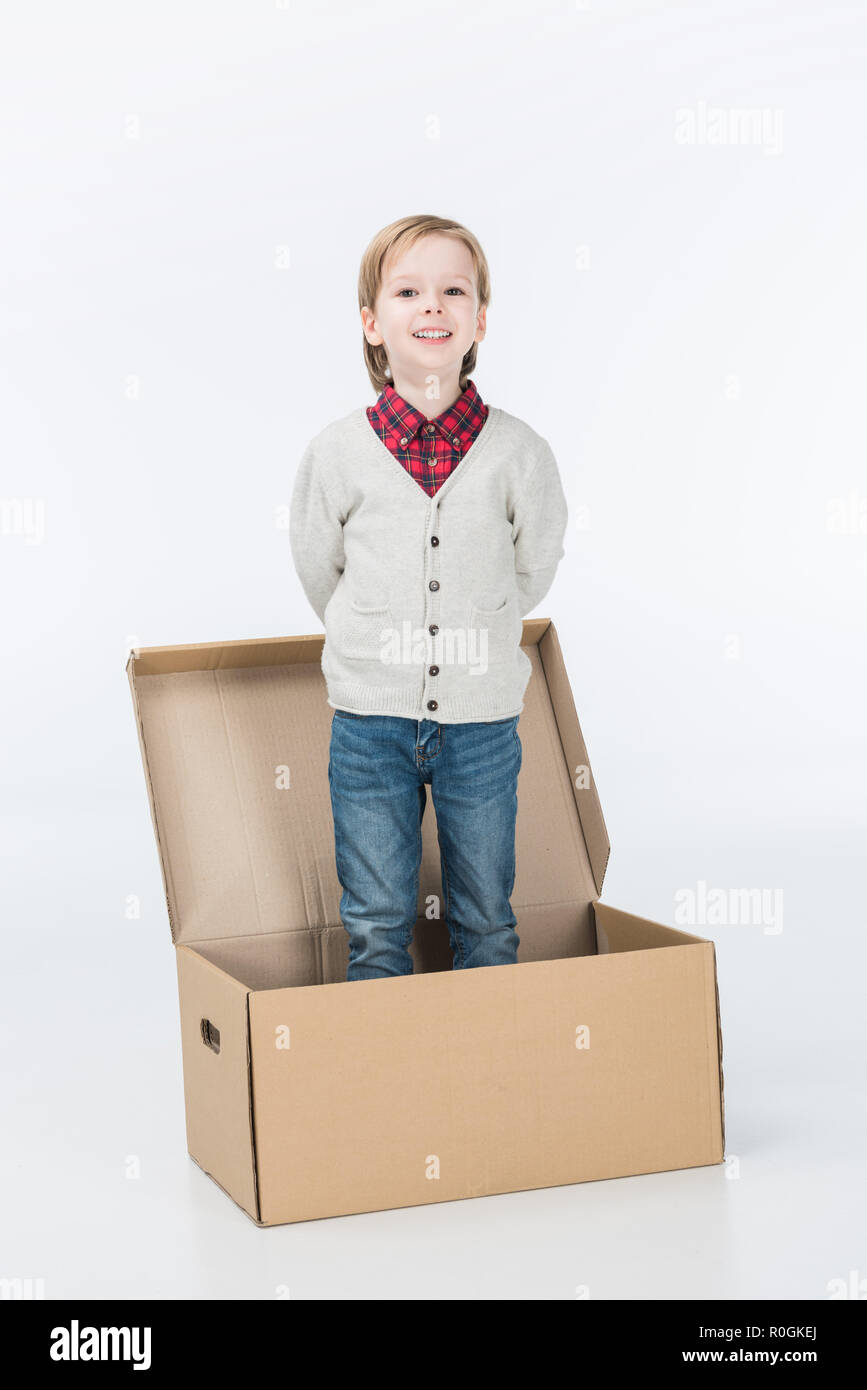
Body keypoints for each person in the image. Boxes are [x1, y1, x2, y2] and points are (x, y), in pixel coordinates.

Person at [289, 214, 568, 980]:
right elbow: (320, 567)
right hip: (367, 726)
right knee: (375, 924)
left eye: (453, 290)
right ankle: (383, 1085)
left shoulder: (518, 453)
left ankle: (487, 1081)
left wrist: (474, 628)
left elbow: (532, 564)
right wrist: (378, 637)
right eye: (408, 291)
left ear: (480, 319)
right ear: (373, 323)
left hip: (481, 725)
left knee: (486, 919)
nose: (433, 307)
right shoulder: (337, 453)